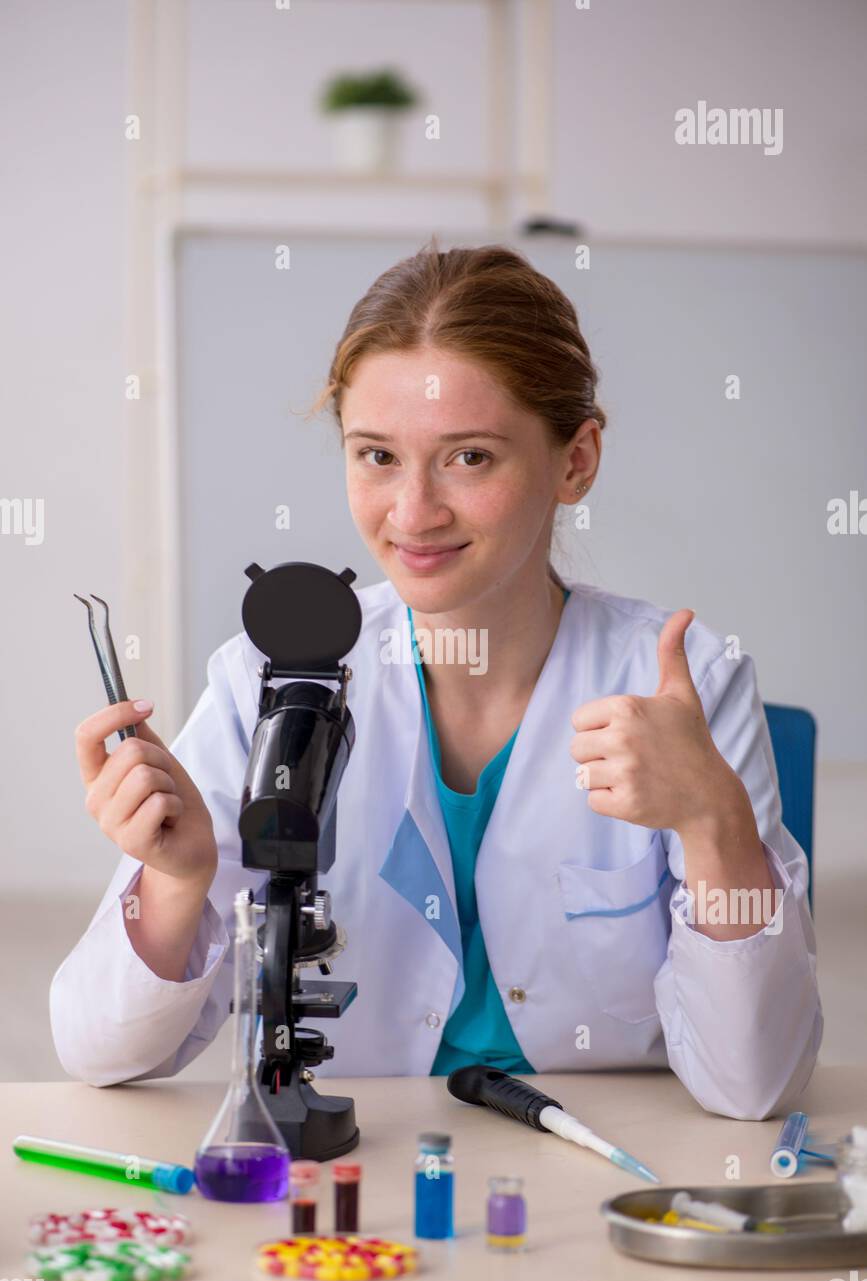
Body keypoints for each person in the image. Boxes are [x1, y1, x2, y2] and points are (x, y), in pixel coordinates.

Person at [52, 242, 822, 1120]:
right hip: (367, 1173)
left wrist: (714, 822)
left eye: (469, 458)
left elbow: (754, 1084)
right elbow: (98, 1052)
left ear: (575, 461)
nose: (412, 513)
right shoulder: (264, 684)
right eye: (377, 456)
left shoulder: (683, 684)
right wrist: (179, 880)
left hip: (604, 1169)